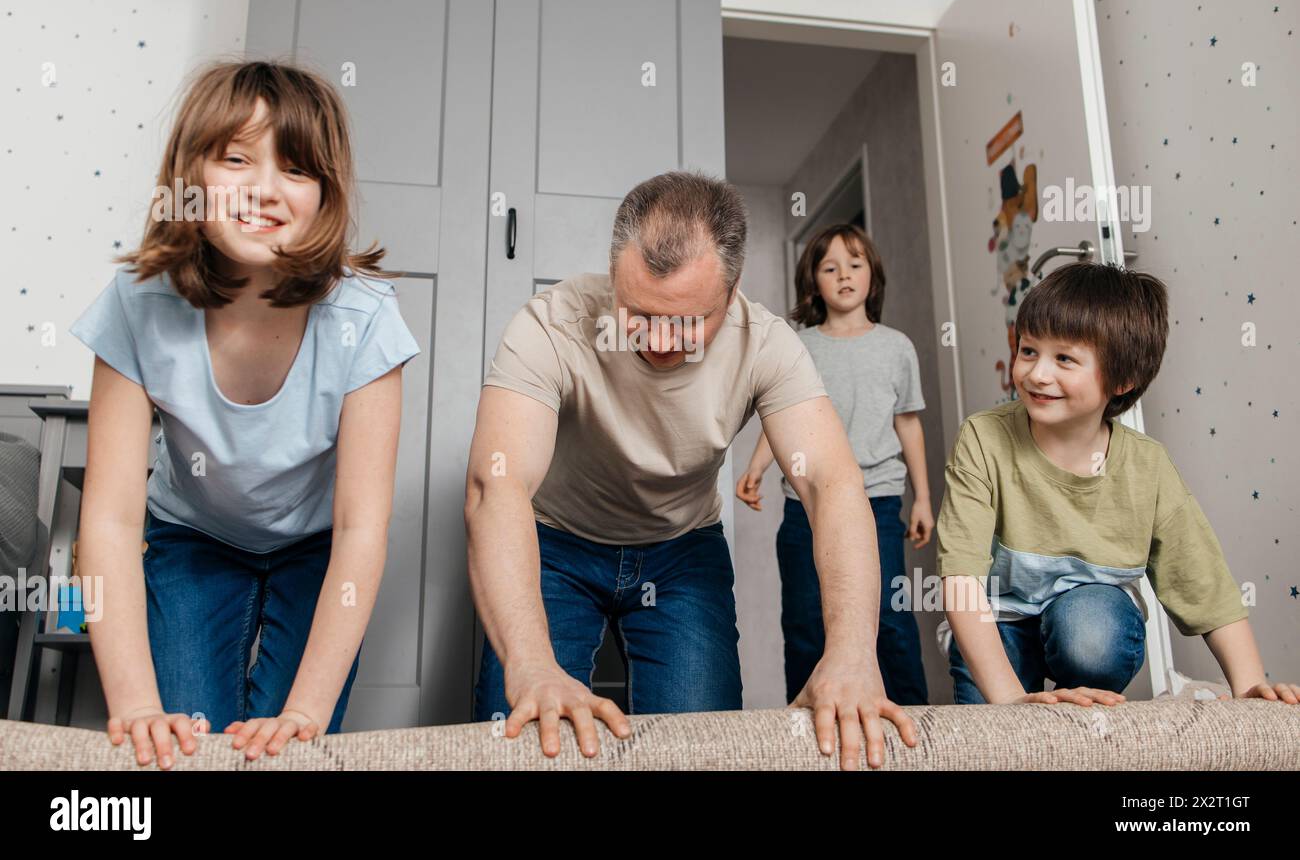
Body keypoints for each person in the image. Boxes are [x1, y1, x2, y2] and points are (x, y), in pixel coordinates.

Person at [464, 170, 918, 770]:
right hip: (554, 545)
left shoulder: (767, 345)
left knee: (702, 751)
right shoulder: (551, 324)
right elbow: (495, 486)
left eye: (683, 322)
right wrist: (529, 665)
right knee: (521, 736)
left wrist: (853, 655)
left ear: (731, 297)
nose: (656, 339)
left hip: (682, 554)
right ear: (614, 274)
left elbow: (831, 485)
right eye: (637, 313)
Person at [69, 60, 421, 769]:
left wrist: (306, 711)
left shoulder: (365, 317)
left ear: (324, 195)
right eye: (236, 159)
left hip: (320, 547)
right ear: (189, 172)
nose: (263, 189)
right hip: (192, 537)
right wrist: (136, 703)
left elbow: (360, 529)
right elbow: (108, 521)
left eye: (295, 168)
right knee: (186, 745)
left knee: (282, 748)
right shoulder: (137, 307)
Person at [936, 262, 1297, 707]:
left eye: (1064, 358)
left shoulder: (1148, 466)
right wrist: (1010, 699)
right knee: (988, 731)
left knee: (1090, 631)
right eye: (1028, 351)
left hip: (1088, 621)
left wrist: (1249, 687)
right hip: (995, 617)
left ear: (1122, 379)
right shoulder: (982, 437)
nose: (1036, 374)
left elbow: (1205, 586)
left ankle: (1084, 705)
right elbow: (961, 578)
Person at [737, 223, 932, 705]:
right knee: (805, 618)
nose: (844, 275)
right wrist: (758, 465)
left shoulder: (896, 347)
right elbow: (785, 419)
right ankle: (809, 725)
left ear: (873, 275)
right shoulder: (800, 345)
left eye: (855, 264)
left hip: (880, 502)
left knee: (887, 616)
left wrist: (923, 498)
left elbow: (908, 423)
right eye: (830, 267)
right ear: (814, 282)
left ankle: (915, 722)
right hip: (807, 506)